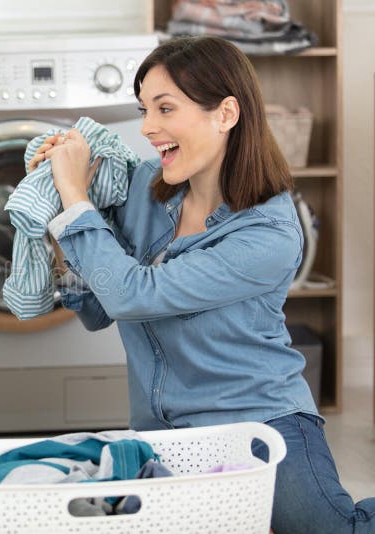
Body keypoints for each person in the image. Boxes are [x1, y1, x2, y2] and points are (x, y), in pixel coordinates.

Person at [30, 36, 374, 533]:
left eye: (165, 108)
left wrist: (76, 197)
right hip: (160, 432)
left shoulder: (268, 233)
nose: (148, 128)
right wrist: (67, 210)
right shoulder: (146, 189)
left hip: (260, 422)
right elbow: (99, 310)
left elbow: (133, 294)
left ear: (226, 113)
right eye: (144, 108)